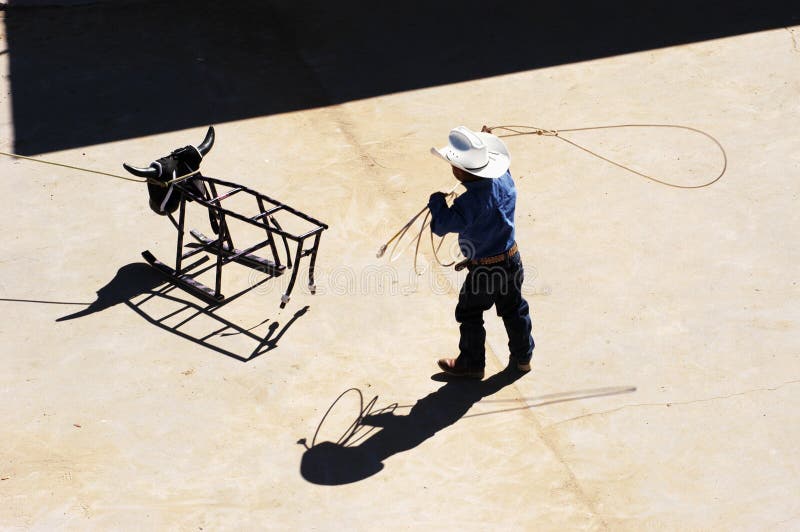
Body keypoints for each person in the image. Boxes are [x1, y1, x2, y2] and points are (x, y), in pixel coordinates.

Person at [427, 125, 534, 379]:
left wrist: (436, 201)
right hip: (512, 259)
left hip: (485, 270)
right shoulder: (503, 179)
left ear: (459, 171)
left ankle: (472, 363)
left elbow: (441, 226)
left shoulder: (469, 204)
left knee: (470, 312)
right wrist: (487, 142)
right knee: (514, 308)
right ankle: (523, 357)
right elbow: (503, 168)